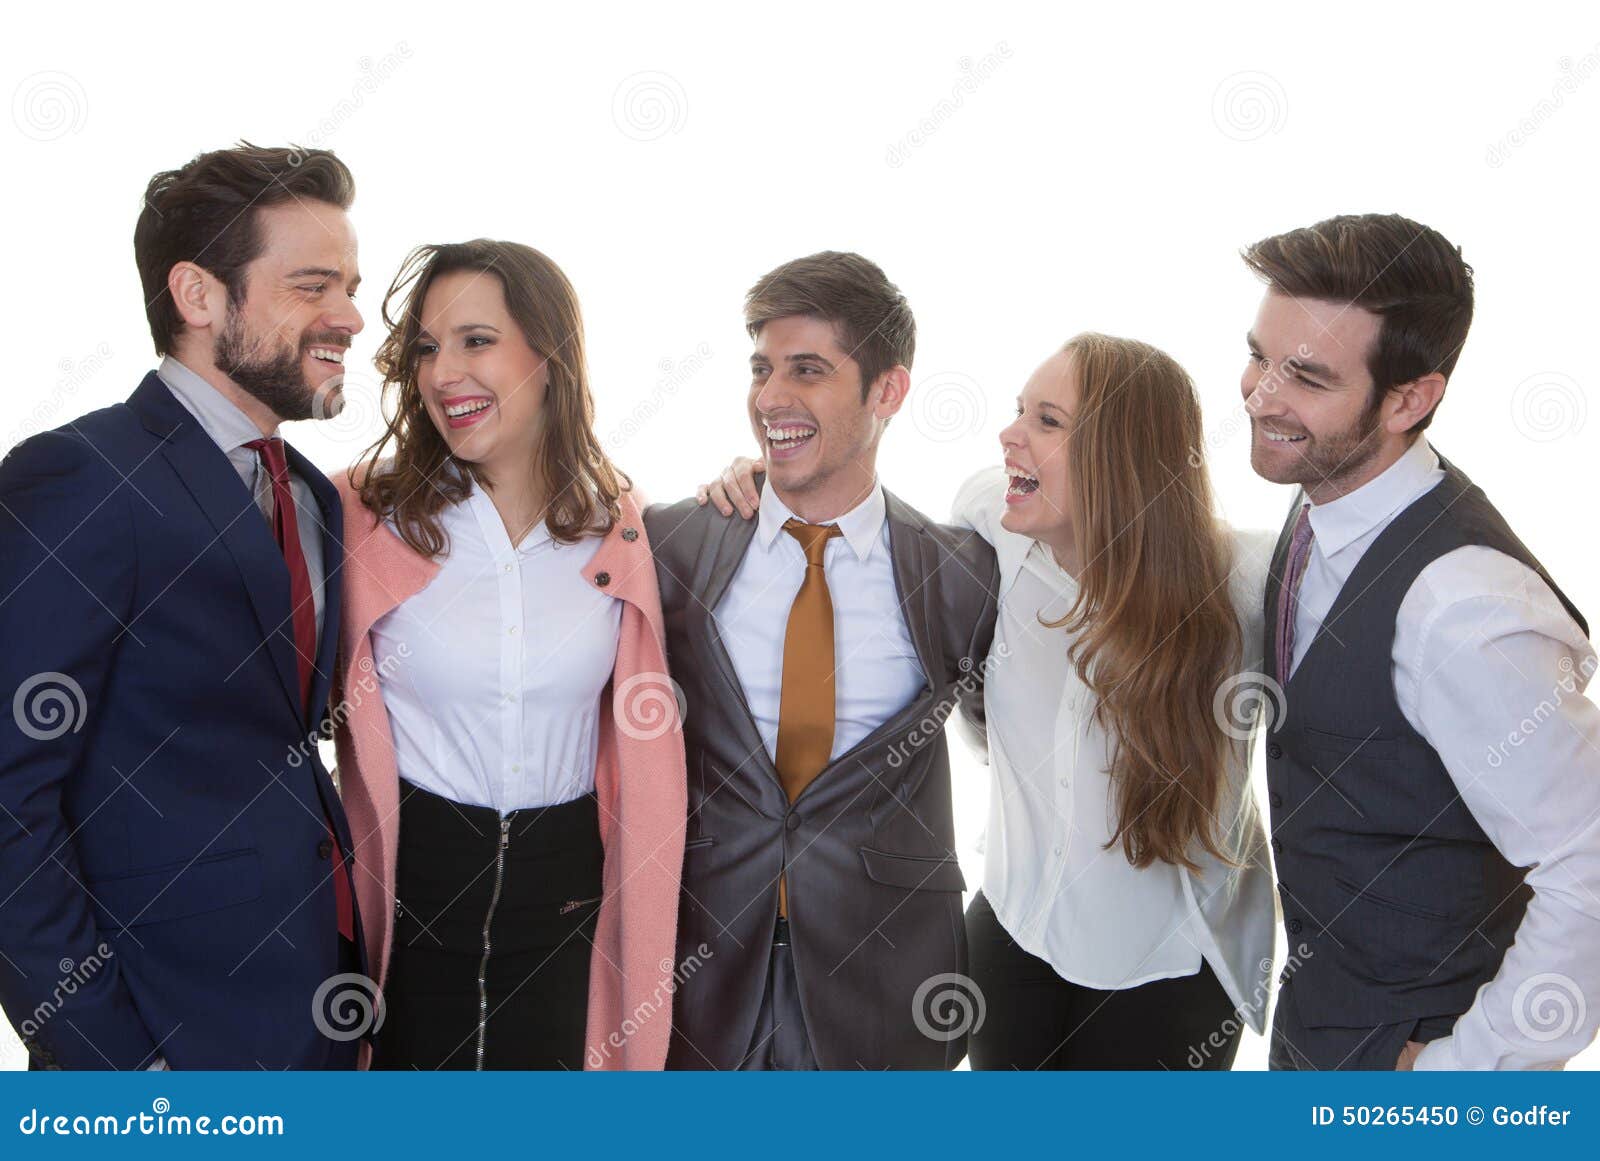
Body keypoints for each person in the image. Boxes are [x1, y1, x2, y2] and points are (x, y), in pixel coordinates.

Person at [704, 333, 1277, 1069]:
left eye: (1047, 421)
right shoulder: (998, 532)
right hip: (1012, 940)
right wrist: (771, 477)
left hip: (1166, 970)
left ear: (1124, 457)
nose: (1009, 435)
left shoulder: (1246, 586)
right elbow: (871, 522)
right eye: (1017, 411)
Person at [0, 143, 366, 1069]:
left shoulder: (314, 496)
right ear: (200, 297)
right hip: (162, 1036)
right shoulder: (79, 475)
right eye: (312, 286)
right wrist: (105, 1056)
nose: (351, 317)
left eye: (351, 287)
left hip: (320, 1013)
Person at [1242, 213, 1600, 1070]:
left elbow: (1589, 862)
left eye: (1306, 377)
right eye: (1258, 354)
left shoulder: (1462, 607)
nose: (1258, 395)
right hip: (1320, 1027)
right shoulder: (1330, 486)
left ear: (1411, 398)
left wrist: (1458, 1079)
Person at [332, 239, 685, 1070]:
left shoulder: (623, 523)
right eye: (426, 347)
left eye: (476, 340)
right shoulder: (359, 510)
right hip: (411, 894)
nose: (442, 371)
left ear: (550, 355)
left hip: (565, 908)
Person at [647, 251, 999, 1069]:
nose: (772, 398)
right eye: (763, 368)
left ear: (888, 391)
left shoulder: (961, 573)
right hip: (699, 964)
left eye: (808, 370)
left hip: (881, 972)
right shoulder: (673, 544)